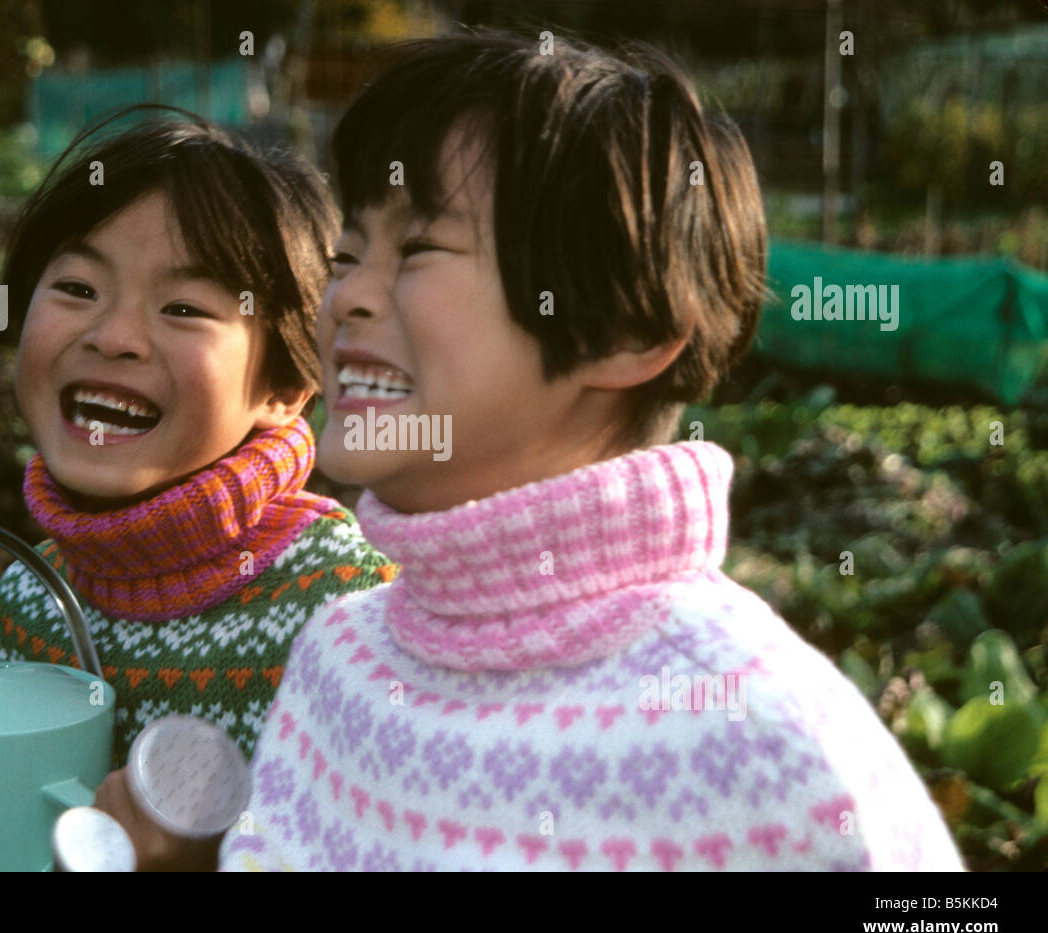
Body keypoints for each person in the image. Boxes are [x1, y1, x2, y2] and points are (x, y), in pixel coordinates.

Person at [219, 32, 964, 871]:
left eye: (420, 249)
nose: (345, 295)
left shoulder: (759, 732)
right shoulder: (340, 659)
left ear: (625, 333)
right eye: (347, 254)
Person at [0, 108, 392, 870]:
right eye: (76, 286)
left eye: (183, 309)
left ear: (287, 385)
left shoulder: (342, 602)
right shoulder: (31, 600)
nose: (114, 335)